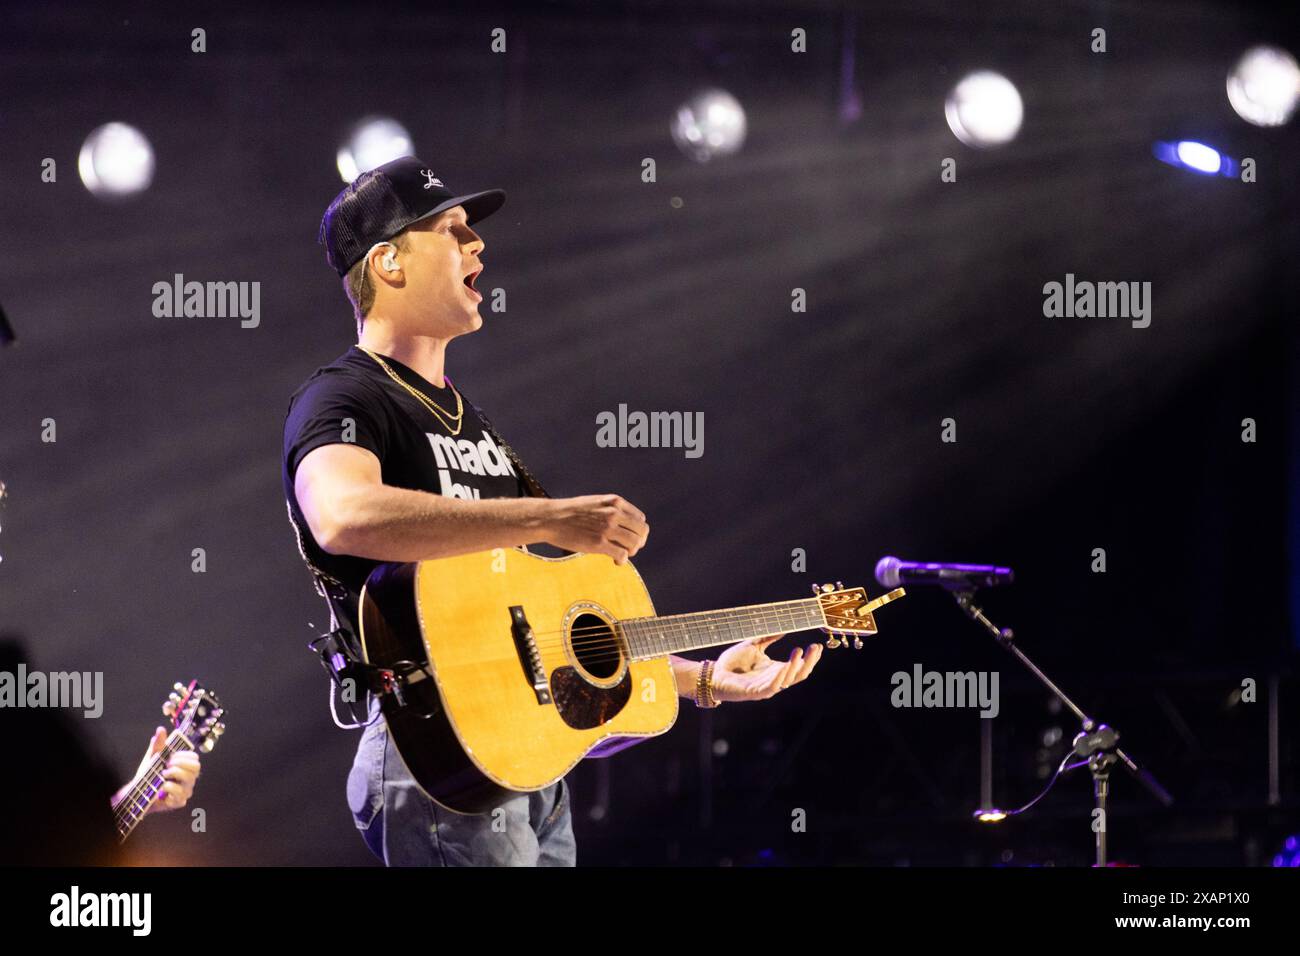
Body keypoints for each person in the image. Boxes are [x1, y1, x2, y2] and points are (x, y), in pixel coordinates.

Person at [282, 156, 823, 866]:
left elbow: (545, 639)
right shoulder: (342, 398)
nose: (479, 246)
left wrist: (705, 680)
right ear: (388, 263)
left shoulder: (470, 422)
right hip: (438, 755)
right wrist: (547, 519)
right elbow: (343, 516)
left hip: (525, 757)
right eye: (453, 232)